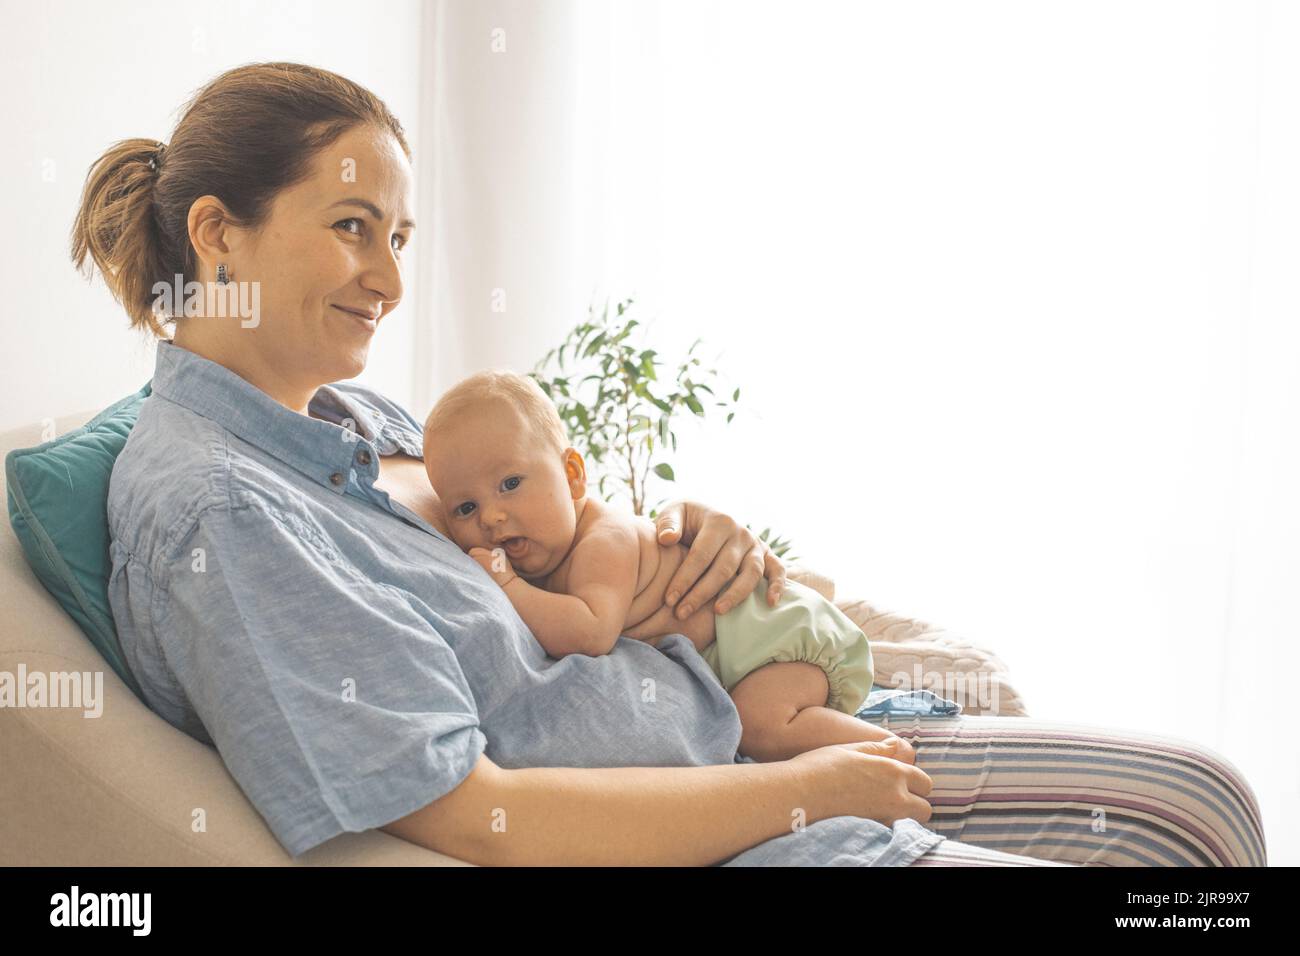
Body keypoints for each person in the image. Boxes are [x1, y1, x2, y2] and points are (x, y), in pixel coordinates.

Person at [76, 62, 1266, 867]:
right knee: (1181, 853)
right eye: (350, 227)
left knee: (1201, 799)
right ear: (218, 233)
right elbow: (480, 811)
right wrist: (810, 792)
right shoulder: (219, 514)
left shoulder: (358, 418)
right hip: (733, 819)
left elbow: (553, 549)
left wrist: (685, 554)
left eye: (398, 236)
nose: (388, 277)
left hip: (730, 713)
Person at [423, 368, 896, 764]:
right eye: (465, 508)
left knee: (758, 727)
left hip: (776, 641)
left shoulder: (602, 542)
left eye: (509, 483)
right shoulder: (547, 555)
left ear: (572, 476)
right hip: (750, 652)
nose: (491, 517)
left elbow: (589, 633)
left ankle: (887, 751)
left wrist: (505, 582)